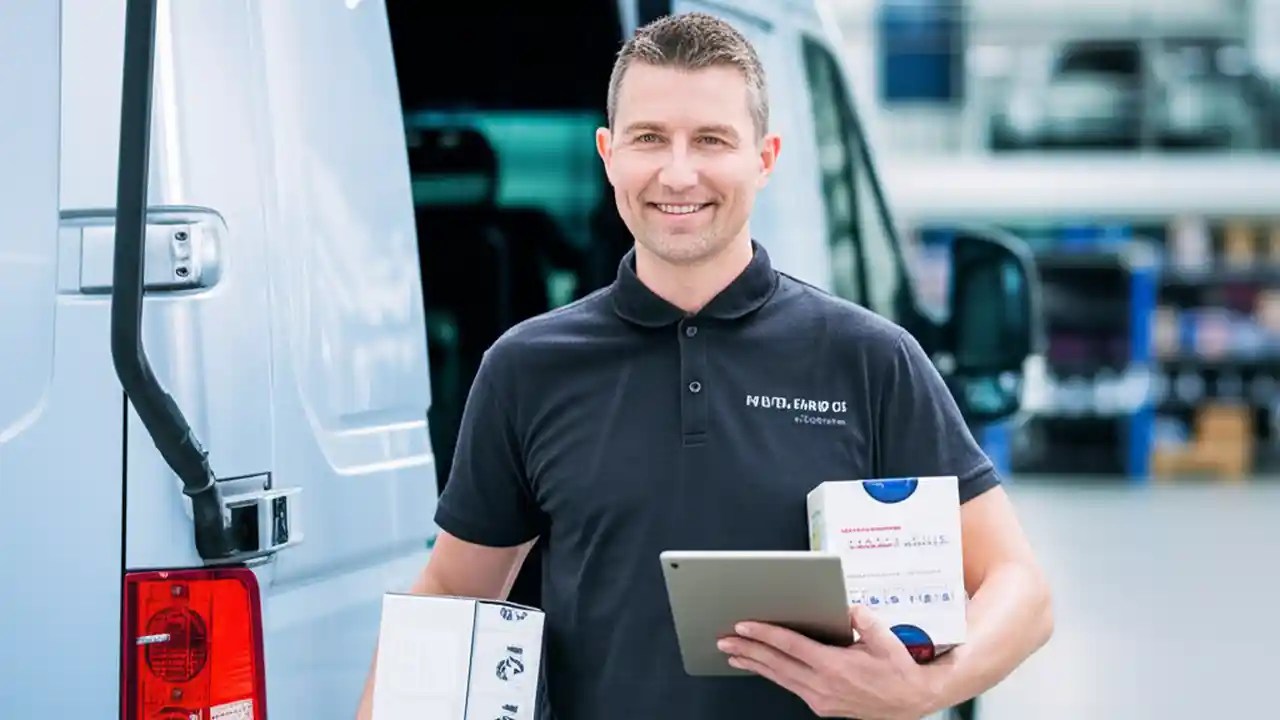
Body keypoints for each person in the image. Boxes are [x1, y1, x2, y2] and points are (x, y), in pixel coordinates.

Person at [358, 12, 1052, 720]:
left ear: (765, 156)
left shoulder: (869, 360)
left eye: (711, 140)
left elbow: (1019, 588)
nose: (677, 172)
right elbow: (451, 593)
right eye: (649, 138)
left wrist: (927, 688)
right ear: (609, 153)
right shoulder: (527, 370)